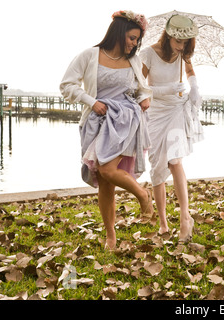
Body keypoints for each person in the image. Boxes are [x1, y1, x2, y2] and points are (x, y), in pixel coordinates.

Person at [60, 10, 154, 250]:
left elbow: (143, 89)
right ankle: (111, 237)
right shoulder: (89, 55)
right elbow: (67, 85)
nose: (135, 44)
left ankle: (143, 195)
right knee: (104, 182)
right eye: (132, 38)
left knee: (106, 168)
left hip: (124, 122)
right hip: (96, 121)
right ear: (120, 33)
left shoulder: (134, 61)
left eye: (137, 40)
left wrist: (145, 98)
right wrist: (92, 102)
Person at [139, 14, 204, 243]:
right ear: (167, 36)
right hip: (155, 113)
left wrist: (194, 86)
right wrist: (167, 89)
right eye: (178, 42)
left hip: (176, 110)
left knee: (175, 159)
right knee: (157, 168)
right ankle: (163, 223)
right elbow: (139, 88)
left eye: (185, 43)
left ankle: (185, 218)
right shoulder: (148, 53)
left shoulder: (183, 54)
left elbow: (189, 71)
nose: (181, 47)